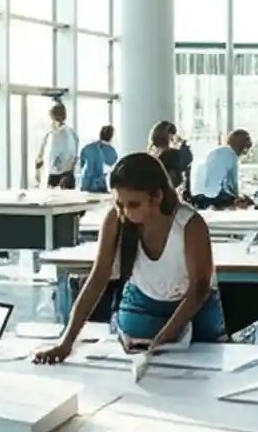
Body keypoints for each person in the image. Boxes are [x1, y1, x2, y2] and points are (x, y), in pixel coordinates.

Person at [34, 153, 225, 363]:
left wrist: (162, 341)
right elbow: (98, 279)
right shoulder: (116, 220)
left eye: (133, 204)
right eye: (119, 204)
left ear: (157, 197)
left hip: (194, 307)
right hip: (143, 302)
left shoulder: (190, 225)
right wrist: (66, 342)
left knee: (200, 363)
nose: (125, 211)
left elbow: (199, 288)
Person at [189, 129, 253, 210]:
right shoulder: (231, 155)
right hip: (213, 198)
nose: (250, 143)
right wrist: (243, 198)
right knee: (248, 204)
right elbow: (233, 186)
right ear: (239, 141)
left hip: (197, 197)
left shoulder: (219, 151)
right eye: (247, 139)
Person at [35, 102, 80, 189]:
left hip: (58, 173)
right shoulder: (71, 133)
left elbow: (47, 153)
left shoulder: (53, 133)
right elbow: (75, 155)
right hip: (65, 172)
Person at [148, 120, 193, 195]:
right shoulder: (173, 154)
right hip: (172, 193)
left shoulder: (152, 155)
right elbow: (187, 159)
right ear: (170, 136)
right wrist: (182, 144)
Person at [78, 125, 119, 193]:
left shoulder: (88, 147)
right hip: (100, 184)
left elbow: (81, 164)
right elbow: (111, 167)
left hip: (86, 183)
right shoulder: (111, 151)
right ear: (111, 137)